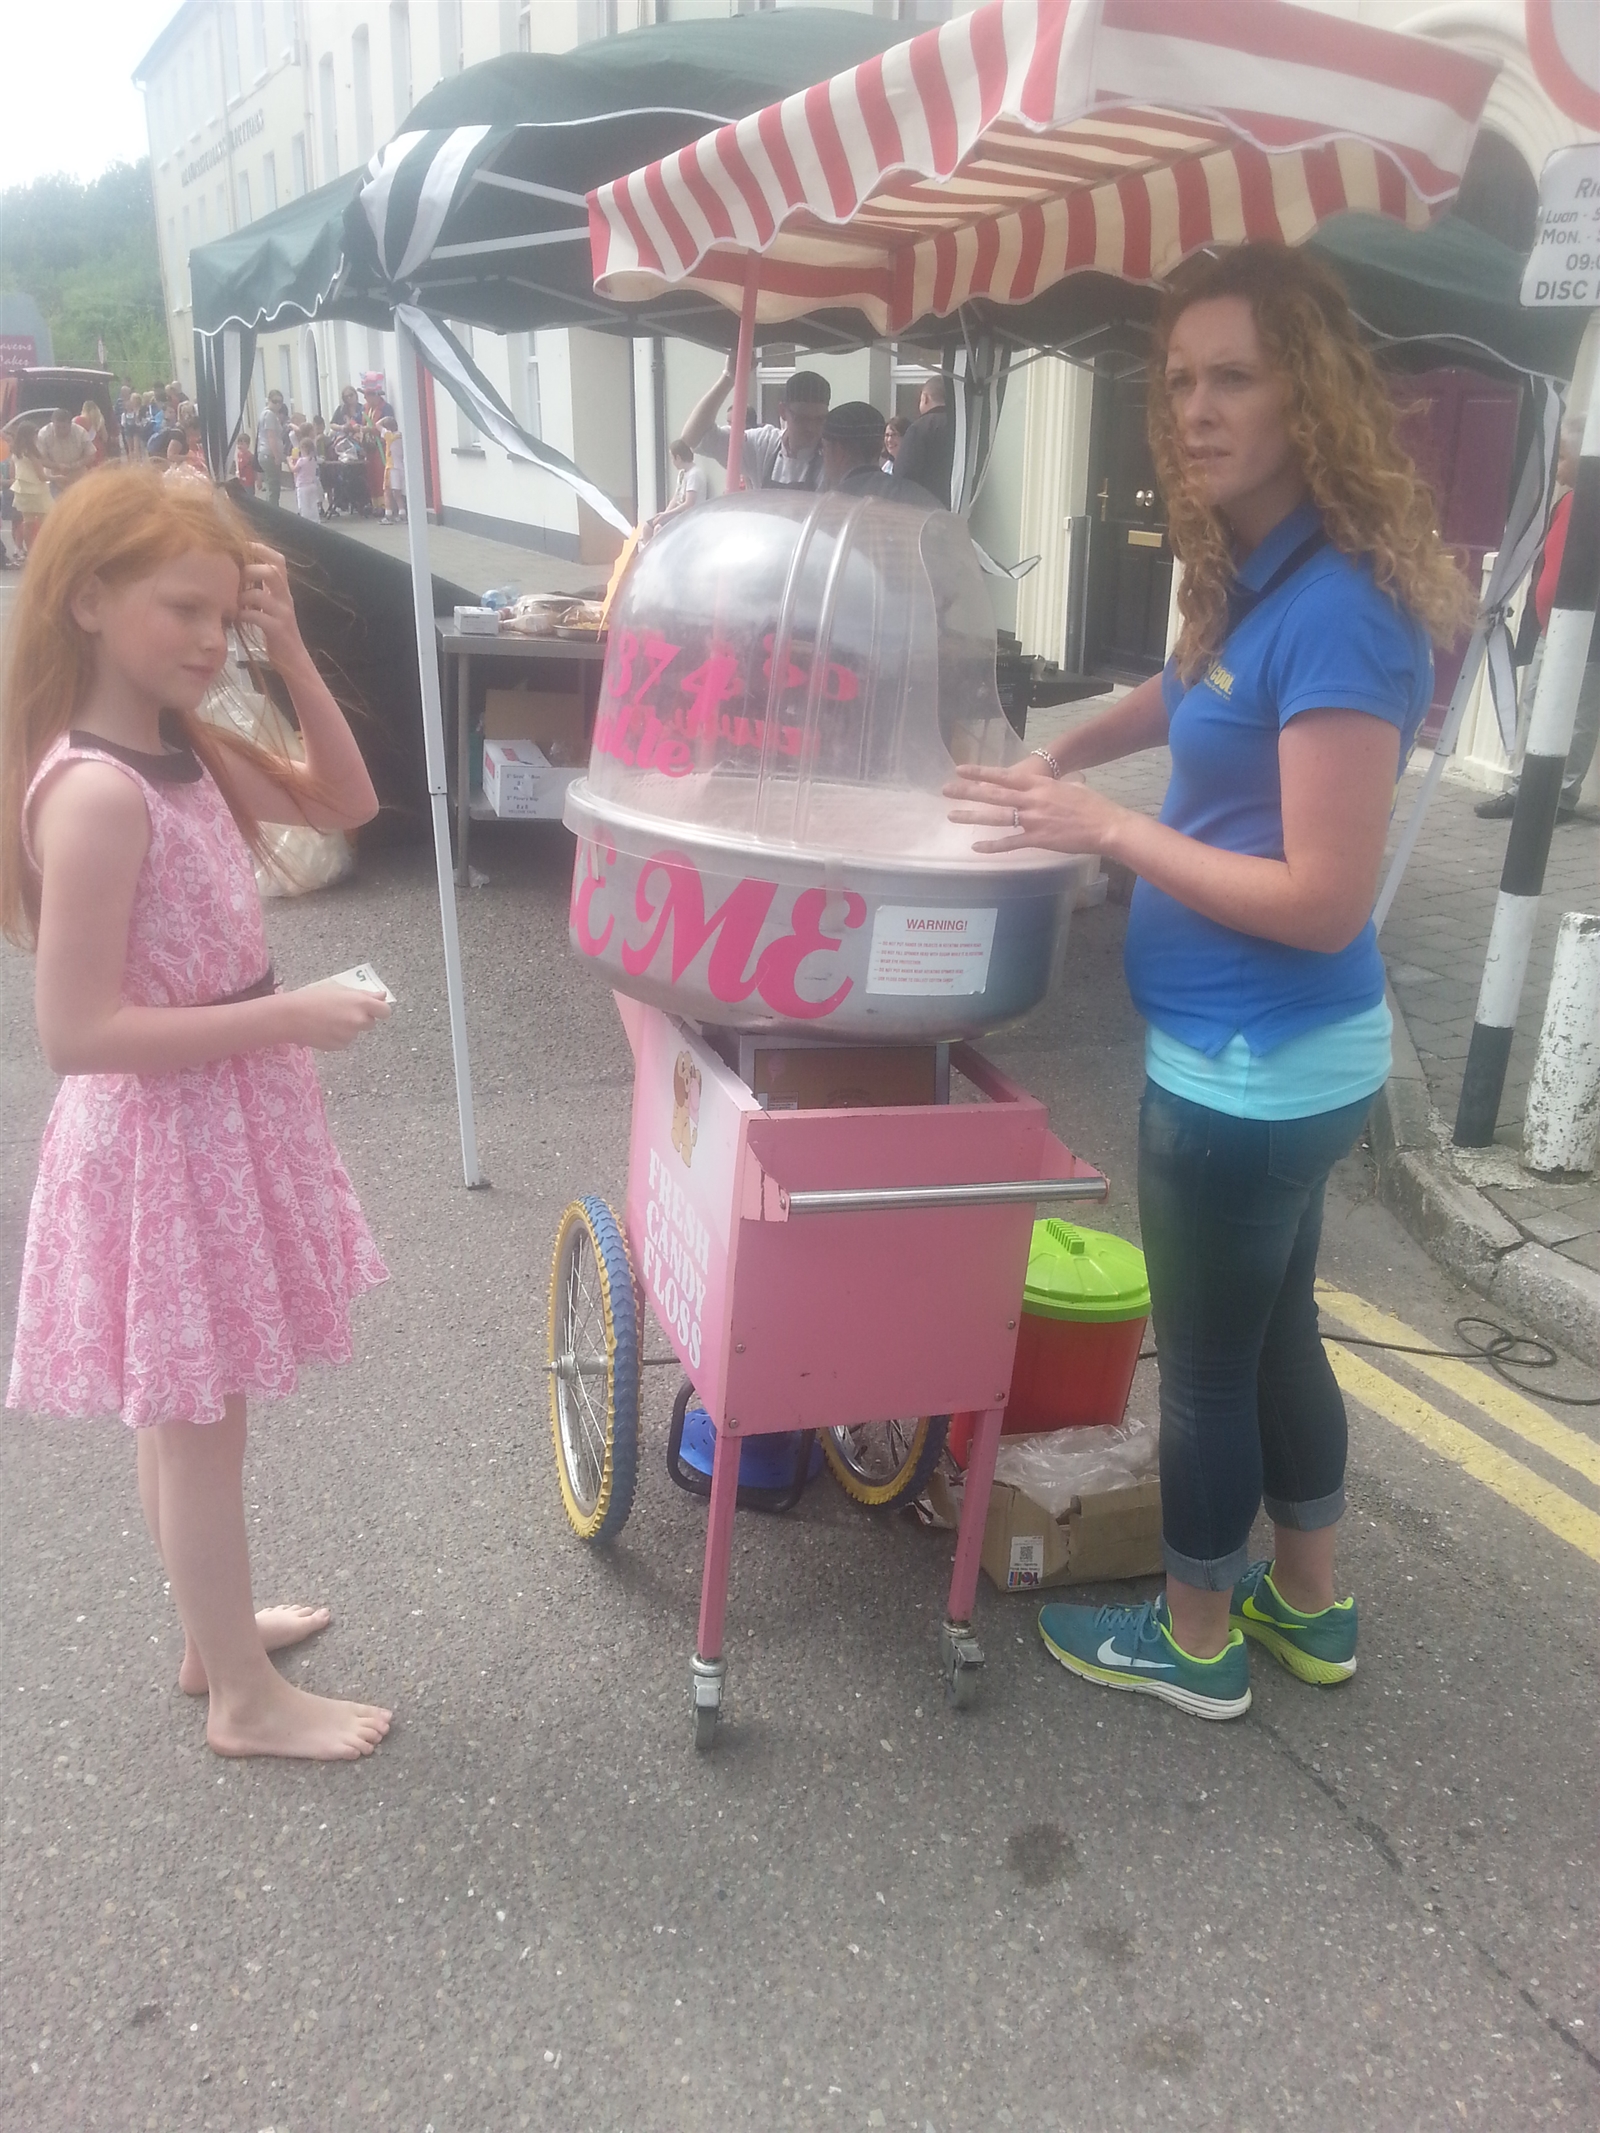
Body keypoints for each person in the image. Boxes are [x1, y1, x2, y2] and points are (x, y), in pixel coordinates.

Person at [948, 244, 1473, 1721]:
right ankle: (1309, 1605)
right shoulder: (1253, 566)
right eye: (1178, 377)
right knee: (1278, 1327)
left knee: (1207, 1364)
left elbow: (1321, 901)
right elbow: (1185, 696)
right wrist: (1062, 748)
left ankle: (1192, 1637)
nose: (1196, 405)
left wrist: (1112, 827)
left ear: (1310, 395)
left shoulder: (1347, 614)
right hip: (1261, 1059)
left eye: (1235, 374)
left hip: (1253, 1064)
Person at [1, 466, 392, 1761]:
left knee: (186, 1411)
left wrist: (287, 652)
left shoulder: (181, 750)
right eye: (184, 609)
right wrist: (289, 1014)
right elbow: (78, 1036)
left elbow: (348, 802)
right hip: (169, 1139)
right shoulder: (100, 791)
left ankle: (205, 1636)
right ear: (89, 597)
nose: (208, 640)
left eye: (226, 616)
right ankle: (242, 1697)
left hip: (211, 1123)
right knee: (200, 1422)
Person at [1475, 416, 1597, 825]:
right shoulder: (1564, 503)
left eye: (1562, 457)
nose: (1556, 466)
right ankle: (1520, 788)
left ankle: (1559, 797)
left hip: (1589, 636)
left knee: (1578, 714)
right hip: (1550, 628)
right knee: (1534, 703)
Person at [679, 363, 830, 490]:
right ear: (783, 411)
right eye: (802, 419)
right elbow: (692, 438)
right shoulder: (763, 444)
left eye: (819, 420)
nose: (811, 428)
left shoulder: (833, 458)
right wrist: (728, 378)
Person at [819, 400, 943, 509]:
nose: (823, 457)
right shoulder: (918, 496)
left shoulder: (829, 507)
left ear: (838, 451)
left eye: (823, 449)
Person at [895, 372, 955, 507]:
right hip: (960, 507)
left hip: (925, 510)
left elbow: (903, 475)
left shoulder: (919, 428)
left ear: (925, 398)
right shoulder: (963, 427)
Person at [35, 406, 97, 494]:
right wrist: (57, 466)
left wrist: (76, 464)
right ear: (53, 423)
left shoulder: (80, 432)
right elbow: (41, 459)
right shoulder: (44, 434)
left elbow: (91, 455)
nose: (60, 430)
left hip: (78, 478)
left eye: (64, 427)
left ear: (70, 424)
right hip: (54, 479)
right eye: (57, 427)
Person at [11, 427, 53, 556]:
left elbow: (13, 474)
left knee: (27, 522)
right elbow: (41, 476)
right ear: (30, 436)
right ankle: (46, 551)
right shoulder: (32, 453)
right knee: (46, 522)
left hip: (21, 489)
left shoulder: (16, 452)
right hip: (37, 490)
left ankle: (30, 552)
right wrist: (57, 478)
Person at [255, 389, 287, 507]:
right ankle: (273, 511)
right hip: (269, 454)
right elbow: (271, 436)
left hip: (265, 453)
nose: (278, 405)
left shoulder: (266, 413)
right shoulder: (269, 415)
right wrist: (277, 455)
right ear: (269, 400)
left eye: (280, 402)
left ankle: (271, 509)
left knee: (270, 484)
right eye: (275, 401)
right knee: (273, 486)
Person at [289, 425, 323, 520]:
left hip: (302, 486)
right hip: (312, 484)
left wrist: (289, 461)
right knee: (313, 505)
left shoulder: (301, 460)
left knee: (304, 506)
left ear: (303, 448)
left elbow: (294, 469)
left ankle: (305, 520)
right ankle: (316, 520)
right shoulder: (313, 459)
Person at [379, 417, 405, 521]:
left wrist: (385, 418)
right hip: (400, 467)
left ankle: (388, 514)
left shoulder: (389, 436)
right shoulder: (400, 436)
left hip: (391, 466)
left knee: (387, 491)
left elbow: (377, 425)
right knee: (397, 492)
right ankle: (402, 513)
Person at [76, 400, 109, 466]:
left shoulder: (77, 420)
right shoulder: (99, 420)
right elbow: (105, 438)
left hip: (85, 450)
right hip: (97, 449)